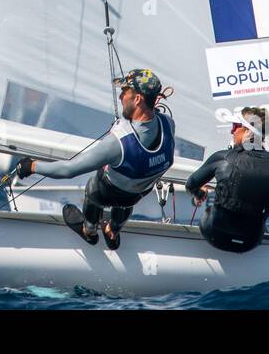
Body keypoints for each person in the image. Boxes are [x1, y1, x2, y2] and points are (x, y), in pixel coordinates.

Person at [12, 69, 174, 250]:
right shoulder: (168, 124)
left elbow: (68, 170)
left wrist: (31, 166)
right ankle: (113, 230)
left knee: (93, 188)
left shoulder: (117, 144)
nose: (120, 97)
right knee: (126, 195)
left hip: (107, 193)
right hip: (138, 194)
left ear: (137, 99)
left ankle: (89, 230)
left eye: (124, 91)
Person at [185, 107, 269, 253]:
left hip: (215, 235)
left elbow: (190, 185)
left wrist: (200, 194)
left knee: (211, 211)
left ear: (248, 131)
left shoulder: (223, 158)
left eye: (235, 127)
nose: (232, 131)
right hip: (251, 242)